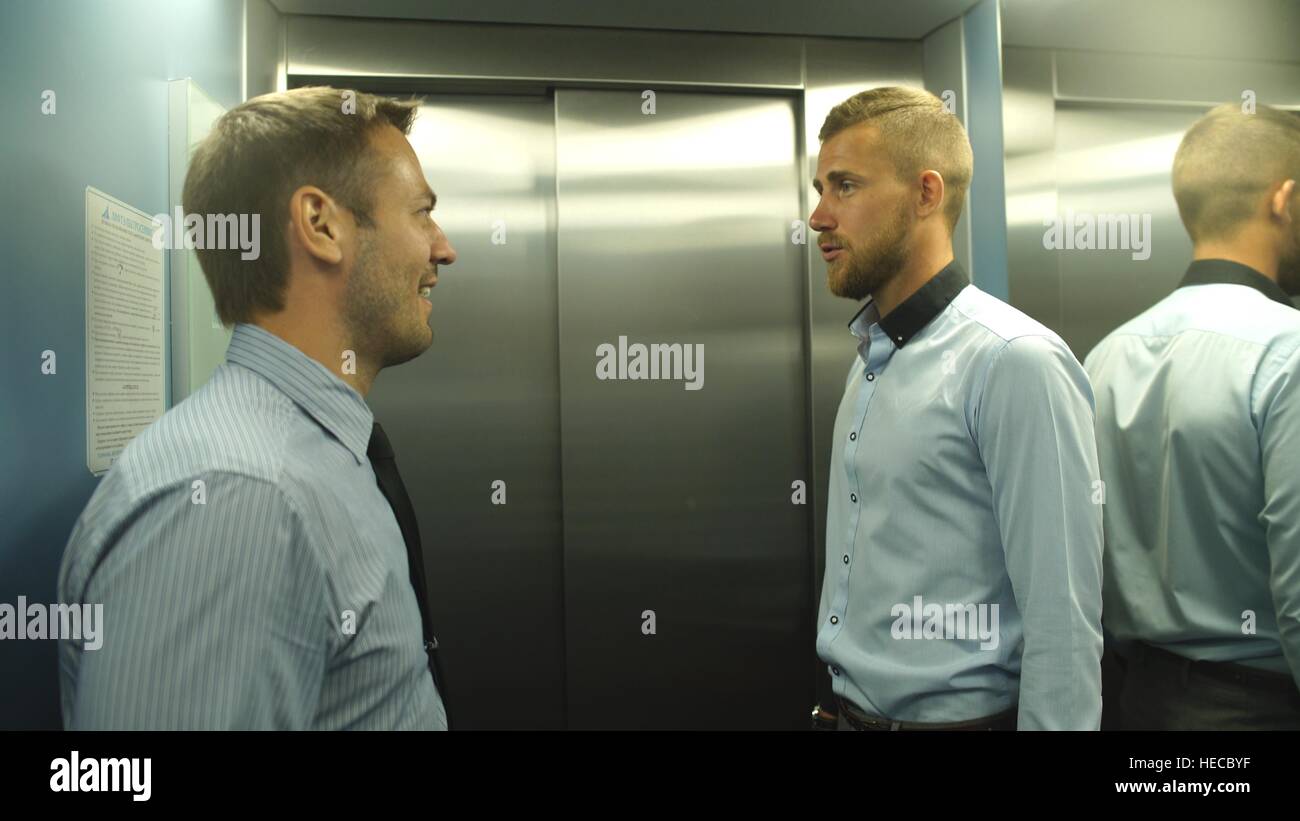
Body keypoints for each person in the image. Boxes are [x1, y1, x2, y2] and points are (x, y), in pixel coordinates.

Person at [58, 86, 457, 729]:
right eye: (421, 213)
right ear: (322, 225)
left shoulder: (313, 459)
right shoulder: (237, 500)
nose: (443, 248)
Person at [808, 87, 1103, 731]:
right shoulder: (867, 361)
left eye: (845, 187)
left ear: (926, 194)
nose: (819, 217)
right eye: (819, 189)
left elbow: (1064, 621)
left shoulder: (1013, 361)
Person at [1084, 103, 1300, 729]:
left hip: (1138, 704)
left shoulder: (1106, 356)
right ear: (1283, 200)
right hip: (1263, 711)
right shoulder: (1288, 351)